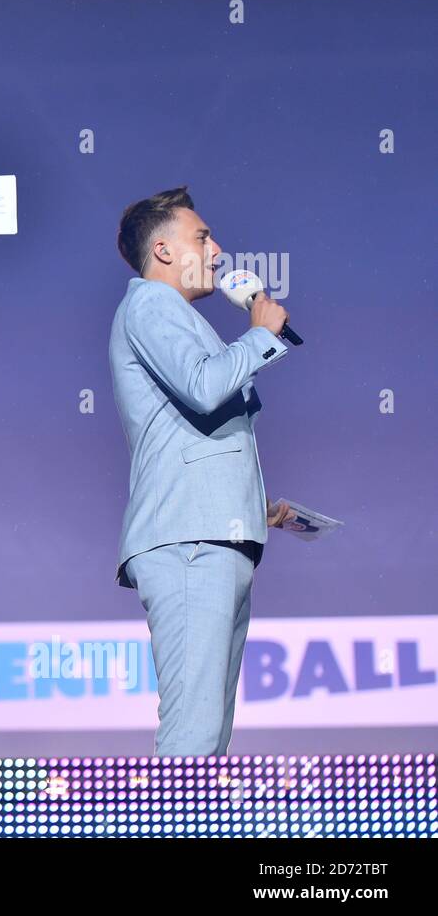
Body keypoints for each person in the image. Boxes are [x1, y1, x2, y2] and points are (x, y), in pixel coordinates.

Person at [109, 186, 295, 757]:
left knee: (208, 740)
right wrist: (263, 333)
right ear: (163, 251)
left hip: (216, 532)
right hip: (189, 540)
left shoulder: (180, 318)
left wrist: (249, 502)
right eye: (203, 236)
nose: (217, 251)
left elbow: (198, 429)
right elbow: (205, 386)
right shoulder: (150, 303)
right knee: (192, 737)